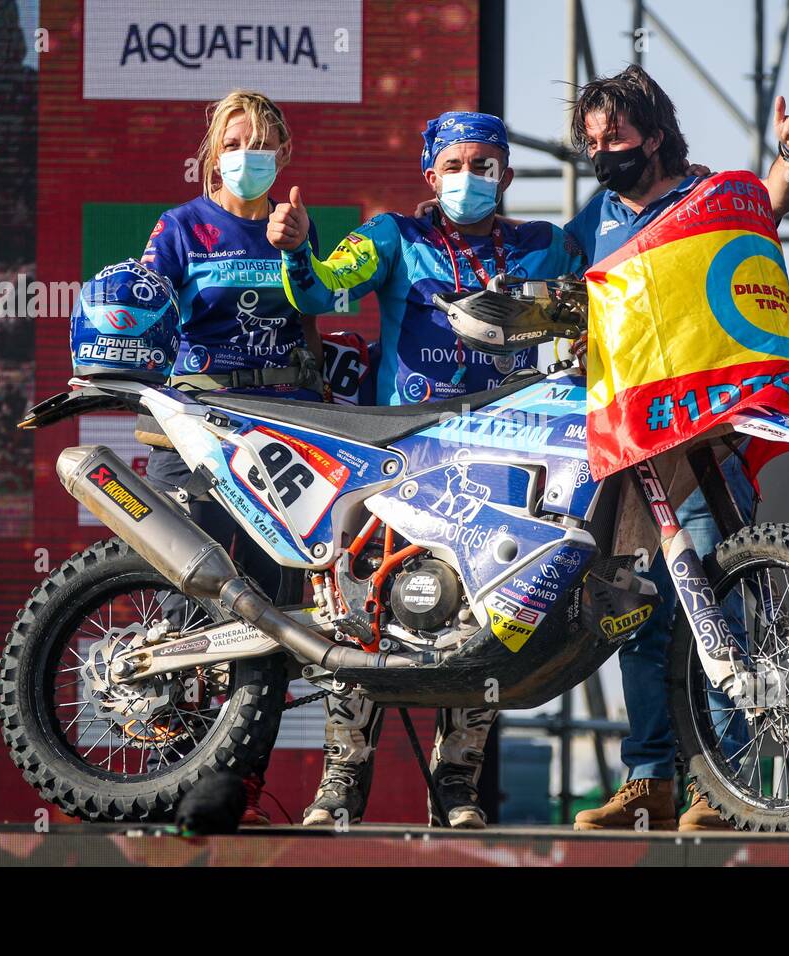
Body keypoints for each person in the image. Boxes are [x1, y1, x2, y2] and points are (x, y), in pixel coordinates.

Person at [270, 110, 586, 828]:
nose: (469, 179)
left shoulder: (545, 246)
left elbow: (608, 297)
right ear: (430, 175)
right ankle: (341, 784)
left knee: (491, 618)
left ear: (506, 173)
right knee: (361, 614)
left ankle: (457, 785)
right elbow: (322, 292)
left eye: (484, 165)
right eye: (455, 166)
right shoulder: (395, 235)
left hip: (504, 459)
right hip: (398, 456)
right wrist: (296, 253)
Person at [564, 65, 789, 832]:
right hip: (633, 448)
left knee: (716, 606)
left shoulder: (710, 195)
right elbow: (557, 287)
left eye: (617, 135)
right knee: (636, 617)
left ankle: (721, 784)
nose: (604, 149)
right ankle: (649, 780)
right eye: (592, 140)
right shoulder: (594, 216)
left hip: (708, 437)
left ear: (655, 132)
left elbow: (770, 199)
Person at [138, 89, 327, 825]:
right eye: (235, 142)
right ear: (213, 153)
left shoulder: (298, 227)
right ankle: (162, 774)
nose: (248, 156)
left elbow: (316, 330)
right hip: (193, 426)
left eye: (263, 144)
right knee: (181, 601)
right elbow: (146, 317)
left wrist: (299, 249)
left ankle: (236, 787)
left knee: (270, 618)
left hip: (279, 433)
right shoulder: (182, 227)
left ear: (284, 156)